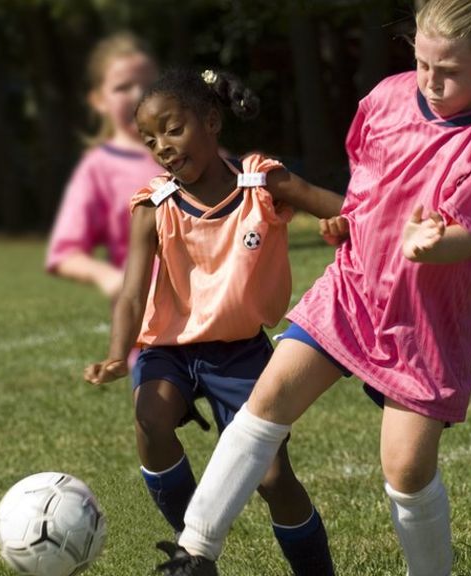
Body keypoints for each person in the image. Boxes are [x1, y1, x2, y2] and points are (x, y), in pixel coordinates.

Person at [154, 1, 471, 574]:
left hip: (426, 321)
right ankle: (194, 554)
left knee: (406, 472)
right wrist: (350, 221)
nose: (432, 83)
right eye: (422, 64)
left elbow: (465, 236)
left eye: (450, 71)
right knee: (266, 405)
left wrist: (433, 244)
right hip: (353, 289)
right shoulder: (385, 98)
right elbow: (366, 184)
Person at [83, 67, 346, 575]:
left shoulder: (262, 182)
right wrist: (119, 354)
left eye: (173, 129)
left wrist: (339, 224)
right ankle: (194, 555)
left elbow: (339, 209)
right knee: (150, 421)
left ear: (210, 121)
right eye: (150, 139)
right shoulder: (153, 204)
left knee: (273, 479)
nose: (161, 146)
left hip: (242, 351)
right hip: (171, 349)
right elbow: (134, 290)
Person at [45, 32, 161, 300]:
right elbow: (65, 253)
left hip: (215, 322)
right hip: (148, 330)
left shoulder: (199, 153)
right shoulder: (98, 169)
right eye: (123, 87)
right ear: (98, 100)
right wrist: (108, 277)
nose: (139, 95)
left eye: (150, 85)